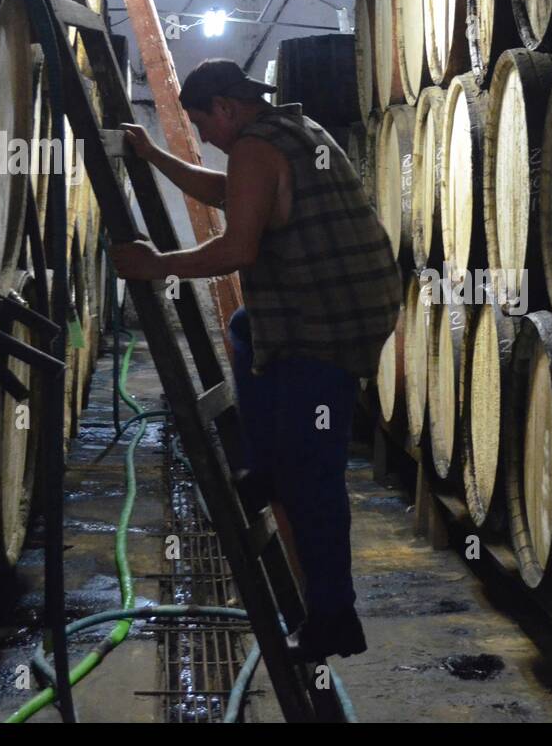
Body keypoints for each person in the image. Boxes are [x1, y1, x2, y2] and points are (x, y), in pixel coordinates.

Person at [110, 58, 402, 661]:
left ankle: (334, 618)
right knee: (245, 328)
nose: (207, 138)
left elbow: (239, 246)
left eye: (201, 124)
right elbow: (226, 193)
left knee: (313, 481)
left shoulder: (253, 146)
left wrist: (157, 264)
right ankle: (264, 463)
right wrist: (156, 157)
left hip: (328, 325)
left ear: (225, 108)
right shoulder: (295, 129)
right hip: (345, 302)